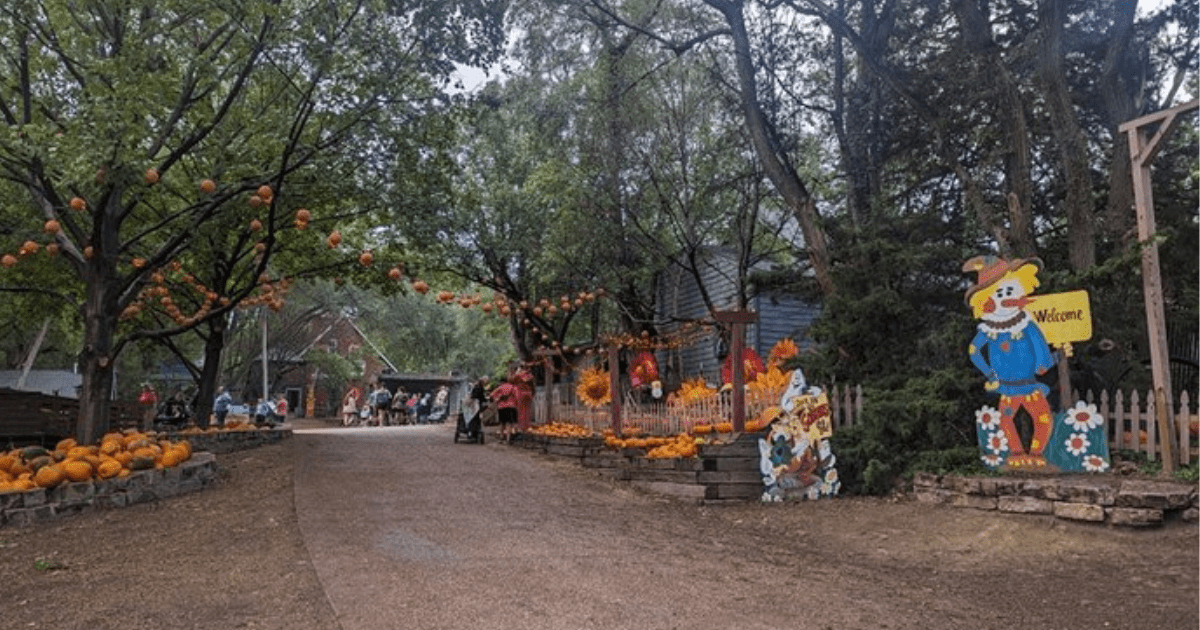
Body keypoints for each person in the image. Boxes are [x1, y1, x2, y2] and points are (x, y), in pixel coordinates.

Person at [489, 377, 519, 441]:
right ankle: (509, 436)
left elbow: (491, 395)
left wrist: (497, 401)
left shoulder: (500, 387)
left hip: (501, 407)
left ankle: (502, 435)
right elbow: (517, 397)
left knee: (503, 423)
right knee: (511, 423)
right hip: (511, 406)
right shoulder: (514, 387)